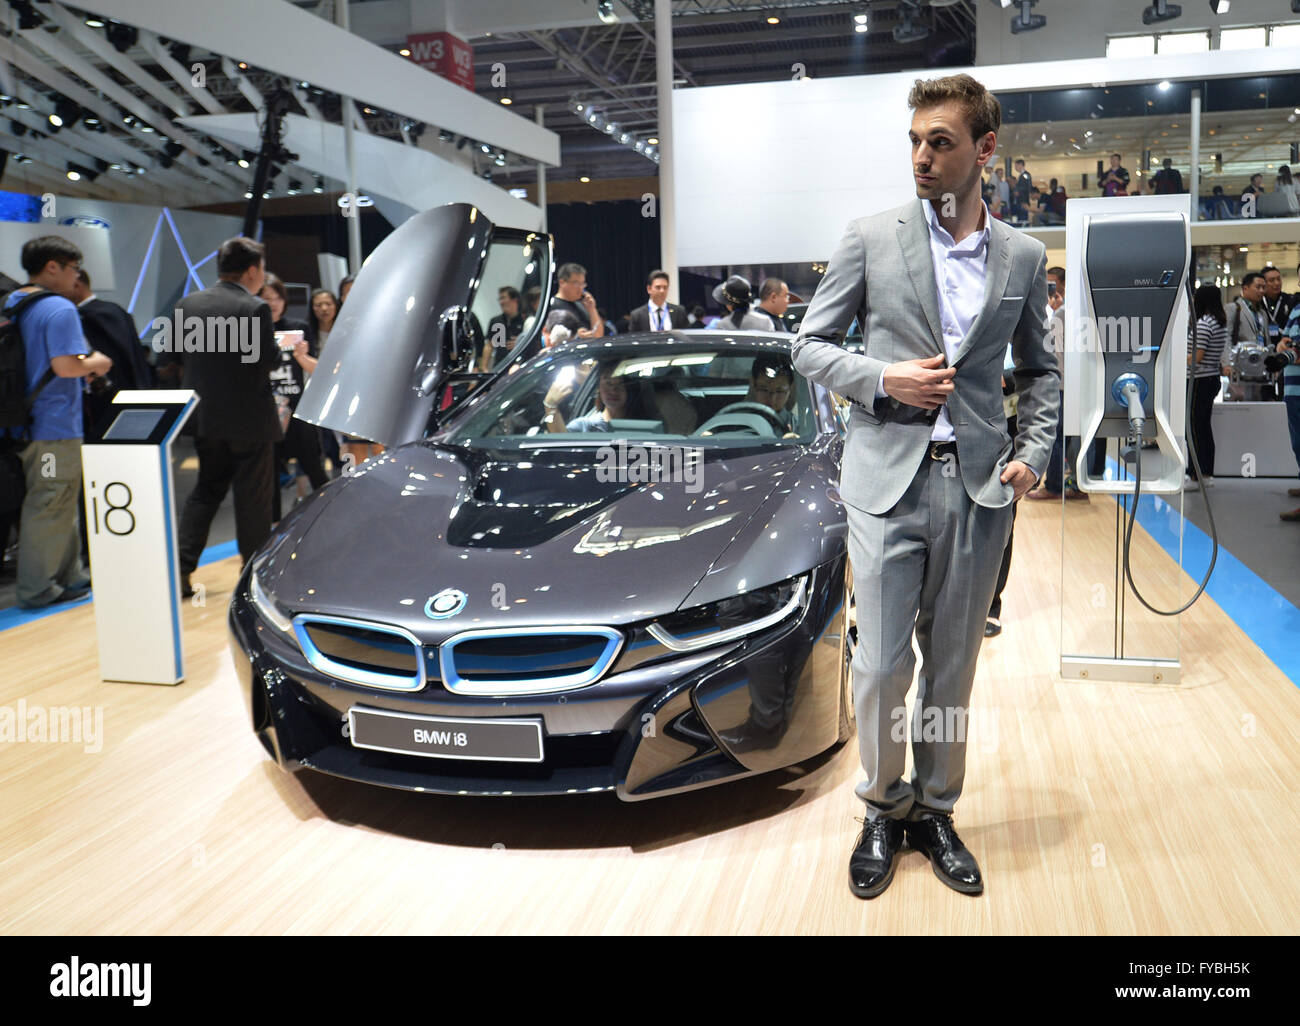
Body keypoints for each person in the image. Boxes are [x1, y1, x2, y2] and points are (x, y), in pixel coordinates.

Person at [792, 73, 1058, 900]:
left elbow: (1039, 371)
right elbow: (808, 344)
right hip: (885, 484)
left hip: (976, 490)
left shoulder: (1019, 255)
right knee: (878, 666)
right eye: (913, 140)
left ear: (985, 150)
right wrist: (882, 379)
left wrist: (1037, 450)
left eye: (940, 142)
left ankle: (936, 810)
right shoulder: (870, 237)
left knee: (951, 665)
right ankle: (883, 804)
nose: (921, 156)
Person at [4, 236, 112, 608]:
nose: (76, 277)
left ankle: (70, 576)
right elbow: (66, 366)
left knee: (60, 500)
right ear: (53, 266)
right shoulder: (58, 309)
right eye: (73, 269)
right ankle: (37, 589)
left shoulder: (14, 303)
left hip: (19, 424)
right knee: (50, 502)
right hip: (53, 426)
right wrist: (98, 363)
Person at [175, 236, 280, 598]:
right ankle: (252, 581)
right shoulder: (254, 308)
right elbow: (264, 361)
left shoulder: (187, 304)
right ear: (252, 270)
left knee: (205, 492)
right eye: (262, 269)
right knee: (253, 501)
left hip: (205, 418)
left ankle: (180, 570)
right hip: (249, 419)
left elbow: (173, 360)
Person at [261, 273, 328, 520]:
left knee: (313, 465)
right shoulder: (253, 332)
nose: (273, 303)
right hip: (266, 412)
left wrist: (302, 357)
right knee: (270, 474)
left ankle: (328, 514)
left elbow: (317, 370)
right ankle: (274, 526)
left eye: (277, 298)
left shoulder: (299, 328)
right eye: (266, 299)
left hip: (298, 410)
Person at [67, 268, 153, 438]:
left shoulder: (85, 317)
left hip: (103, 398)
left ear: (76, 284)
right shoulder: (115, 310)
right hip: (132, 391)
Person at [1187, 284, 1229, 485]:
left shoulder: (1203, 324)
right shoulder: (1219, 322)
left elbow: (1197, 357)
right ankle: (1204, 471)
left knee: (1194, 427)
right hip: (1211, 378)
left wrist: (1177, 355)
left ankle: (1197, 472)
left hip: (1199, 380)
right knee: (1203, 426)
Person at [549, 263, 604, 338]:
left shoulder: (582, 305)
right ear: (562, 282)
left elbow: (598, 335)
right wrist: (575, 336)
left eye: (583, 283)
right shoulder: (552, 306)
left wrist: (592, 309)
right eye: (576, 283)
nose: (581, 288)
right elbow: (550, 338)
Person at [481, 285, 526, 370]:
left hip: (518, 368)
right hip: (498, 368)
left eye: (503, 298)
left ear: (515, 300)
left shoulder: (525, 321)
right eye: (500, 299)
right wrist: (484, 367)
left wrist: (521, 341)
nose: (501, 302)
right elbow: (490, 345)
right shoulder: (496, 321)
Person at [1261, 267, 1294, 349]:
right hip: (1264, 348)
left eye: (1279, 279)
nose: (1277, 283)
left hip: (1285, 347)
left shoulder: (1289, 300)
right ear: (1263, 283)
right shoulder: (1258, 303)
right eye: (1272, 280)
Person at [1011, 157, 1032, 222]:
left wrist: (1019, 192)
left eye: (1016, 166)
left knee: (1023, 220)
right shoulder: (1021, 176)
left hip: (1023, 202)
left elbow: (1027, 187)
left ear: (1020, 165)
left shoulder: (1026, 175)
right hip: (1020, 201)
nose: (1015, 168)